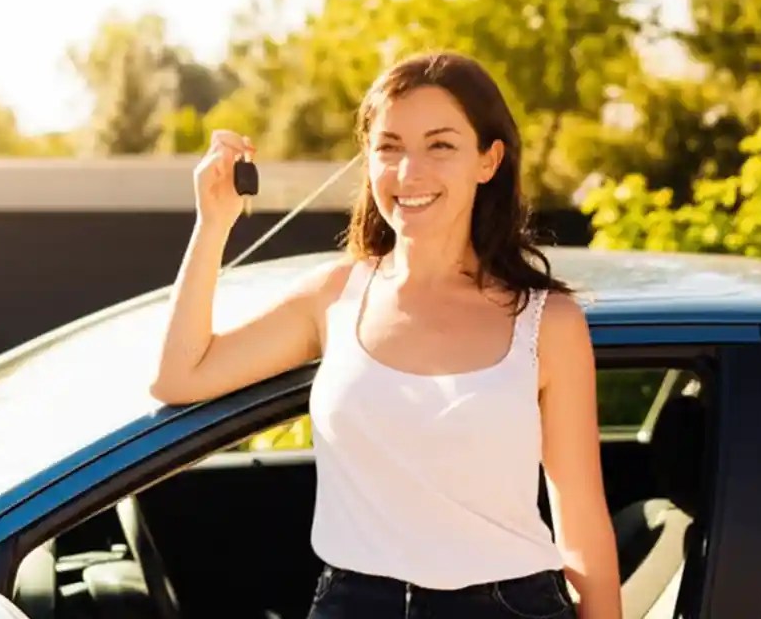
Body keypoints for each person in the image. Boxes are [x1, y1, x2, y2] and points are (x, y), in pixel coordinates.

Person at [150, 51, 620, 618]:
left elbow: (584, 521)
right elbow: (180, 374)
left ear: (488, 160)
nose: (408, 173)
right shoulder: (334, 296)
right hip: (355, 604)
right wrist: (213, 222)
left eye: (440, 145)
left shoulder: (549, 322)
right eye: (389, 147)